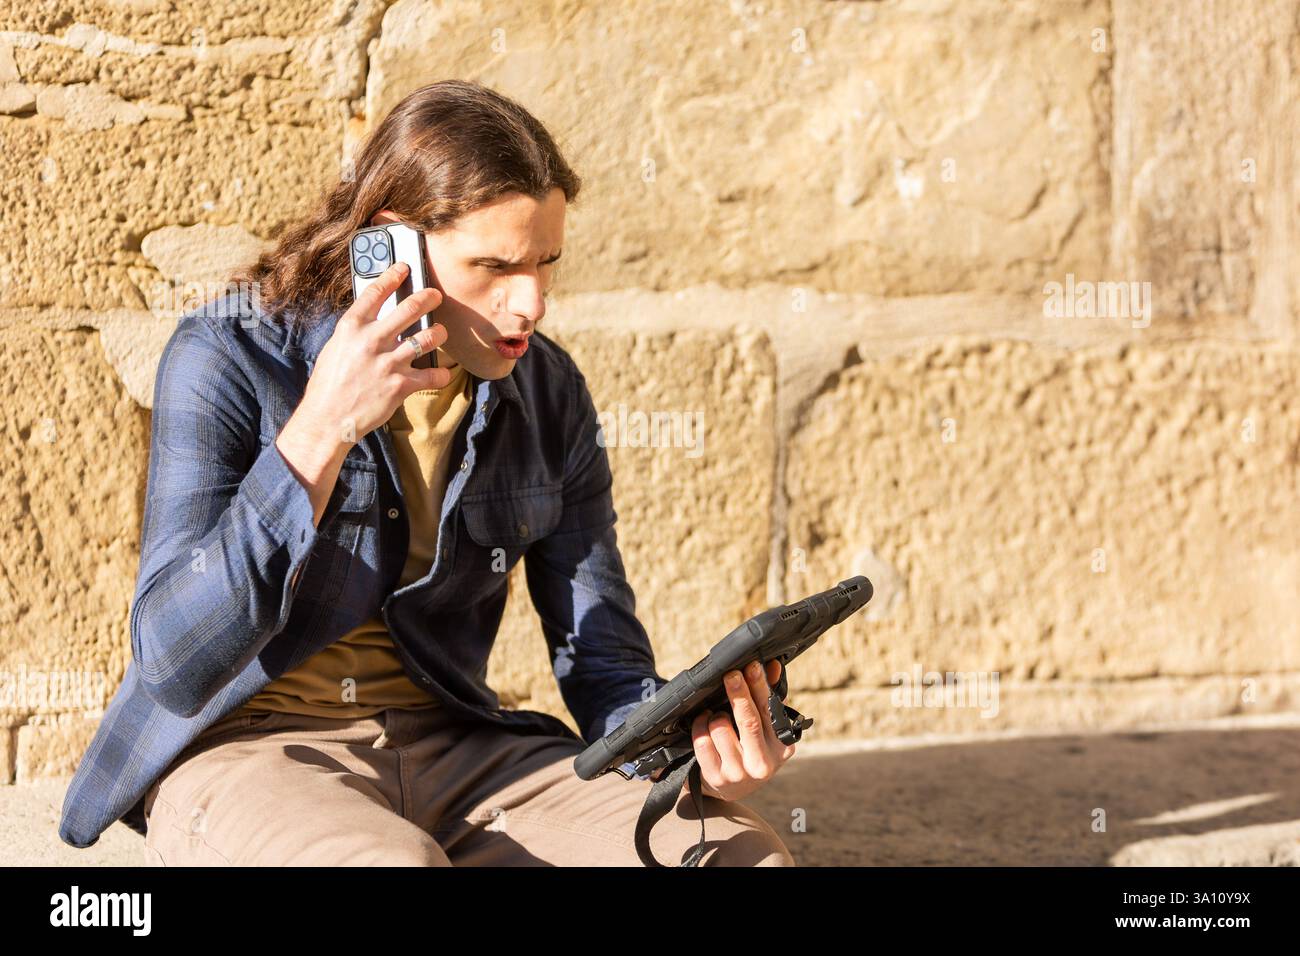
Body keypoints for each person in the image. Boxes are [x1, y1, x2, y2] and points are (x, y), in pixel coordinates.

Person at [59, 79, 796, 866]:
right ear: (391, 247)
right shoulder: (226, 356)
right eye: (495, 266)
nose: (532, 302)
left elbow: (605, 664)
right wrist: (320, 432)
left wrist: (695, 742)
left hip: (458, 743)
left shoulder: (548, 392)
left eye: (547, 263)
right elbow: (172, 662)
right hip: (252, 751)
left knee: (739, 858)